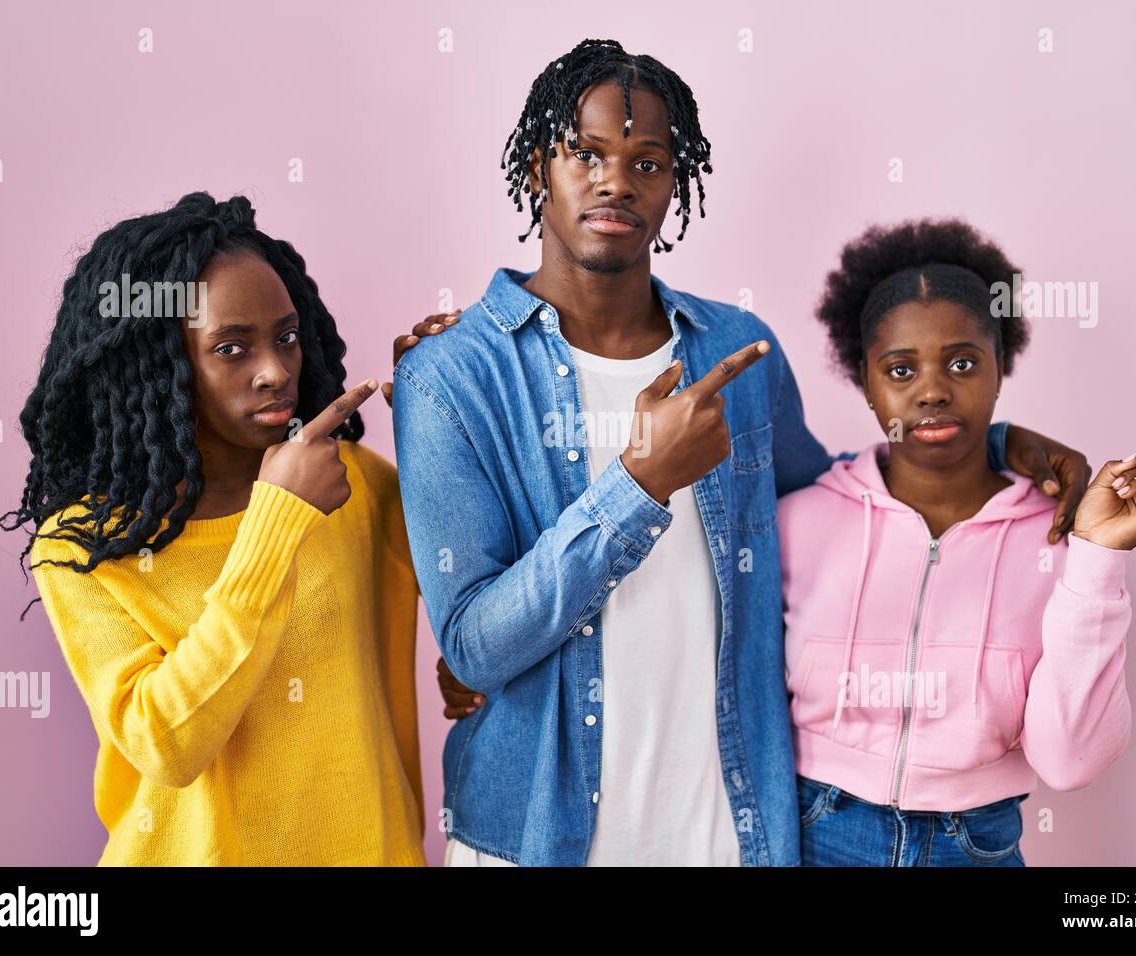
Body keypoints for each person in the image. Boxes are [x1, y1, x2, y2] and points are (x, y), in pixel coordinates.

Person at [390, 38, 1093, 867]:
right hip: (538, 836)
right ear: (539, 166)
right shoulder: (450, 377)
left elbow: (842, 495)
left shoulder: (737, 348)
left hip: (730, 828)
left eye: (648, 161)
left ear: (676, 185)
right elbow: (473, 644)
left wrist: (997, 445)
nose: (617, 181)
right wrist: (639, 485)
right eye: (586, 153)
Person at [0, 192, 426, 865]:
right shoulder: (81, 547)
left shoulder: (353, 483)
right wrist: (276, 522)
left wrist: (454, 407)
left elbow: (482, 591)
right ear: (155, 363)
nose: (276, 371)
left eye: (286, 336)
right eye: (232, 348)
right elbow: (169, 744)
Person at [779, 219, 1136, 865]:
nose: (933, 390)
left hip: (977, 845)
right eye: (901, 369)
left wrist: (1100, 558)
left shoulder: (1059, 538)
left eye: (962, 362)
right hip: (814, 833)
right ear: (865, 380)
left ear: (1001, 365)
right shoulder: (797, 520)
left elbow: (1071, 762)